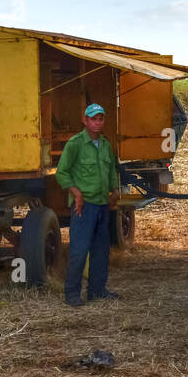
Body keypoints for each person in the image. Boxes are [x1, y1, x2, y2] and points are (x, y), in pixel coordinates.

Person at [56, 103, 121, 306]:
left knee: (101, 251)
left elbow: (111, 171)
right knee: (79, 251)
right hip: (84, 207)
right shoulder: (75, 144)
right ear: (85, 120)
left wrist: (115, 190)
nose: (98, 122)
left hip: (103, 205)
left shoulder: (105, 144)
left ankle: (97, 290)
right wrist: (76, 193)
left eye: (101, 118)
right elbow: (62, 172)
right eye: (94, 119)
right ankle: (72, 294)